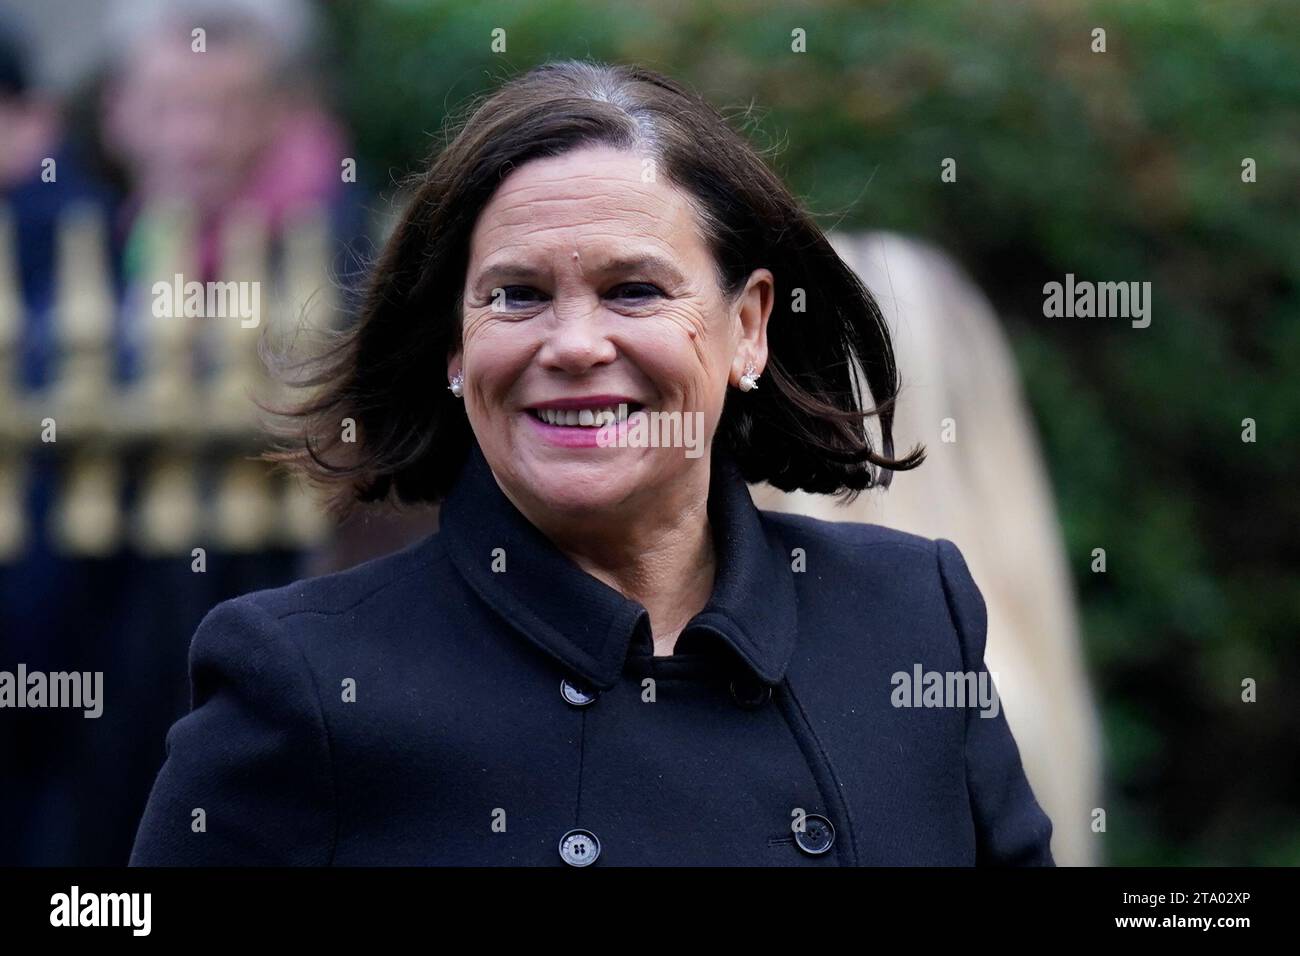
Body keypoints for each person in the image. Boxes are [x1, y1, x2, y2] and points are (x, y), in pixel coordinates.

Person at [129, 60, 1054, 866]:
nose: (573, 345)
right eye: (518, 295)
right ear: (456, 348)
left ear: (749, 327)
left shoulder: (908, 616)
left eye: (634, 290)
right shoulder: (304, 675)